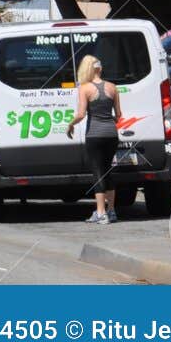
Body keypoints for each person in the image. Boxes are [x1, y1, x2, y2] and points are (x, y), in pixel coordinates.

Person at [65, 54, 121, 224]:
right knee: (108, 170)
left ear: (87, 69)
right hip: (112, 134)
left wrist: (70, 124)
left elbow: (81, 114)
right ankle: (111, 211)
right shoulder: (113, 87)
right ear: (100, 68)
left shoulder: (85, 88)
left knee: (97, 173)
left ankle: (100, 212)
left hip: (95, 135)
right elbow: (118, 115)